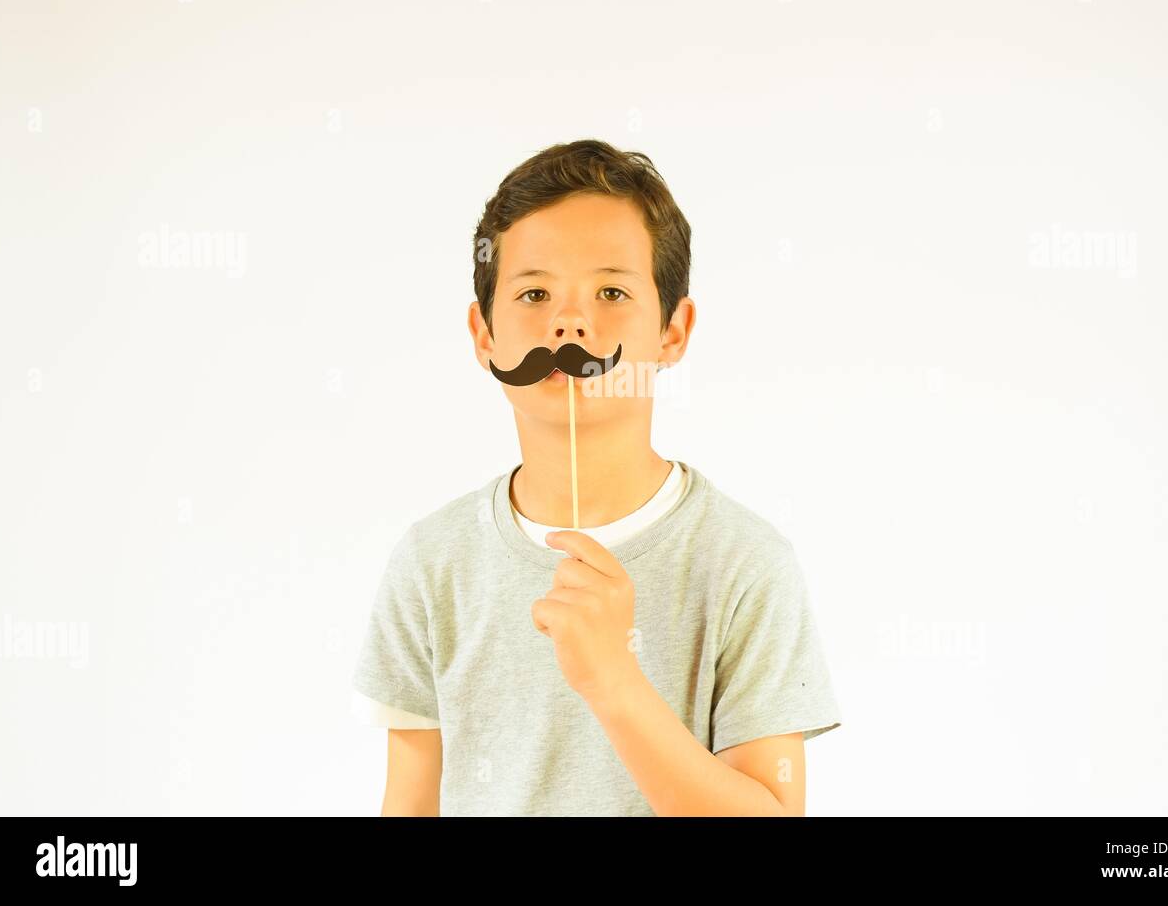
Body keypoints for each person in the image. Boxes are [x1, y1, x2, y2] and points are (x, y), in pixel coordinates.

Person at [350, 139, 841, 815]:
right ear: (484, 335)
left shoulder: (745, 565)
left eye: (611, 291)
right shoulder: (434, 564)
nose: (569, 321)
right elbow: (411, 803)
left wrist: (613, 679)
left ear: (673, 331)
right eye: (533, 293)